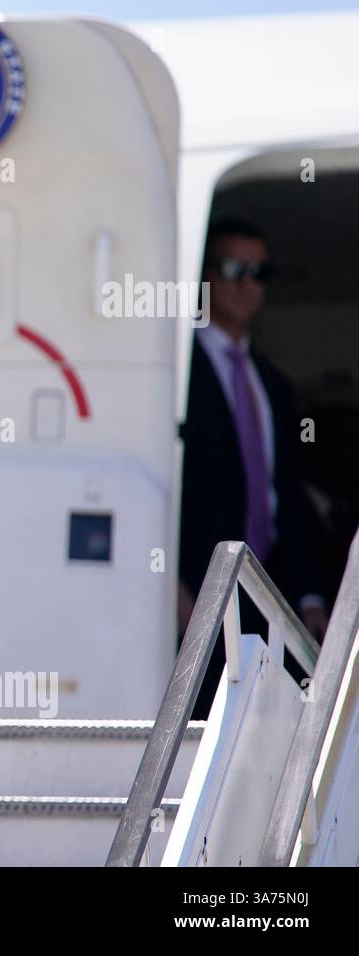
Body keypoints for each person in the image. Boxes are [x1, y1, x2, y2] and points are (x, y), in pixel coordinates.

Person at [178, 217, 329, 718]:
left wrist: (308, 595)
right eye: (232, 267)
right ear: (205, 274)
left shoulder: (273, 384)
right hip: (194, 598)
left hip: (270, 597)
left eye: (259, 272)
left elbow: (286, 495)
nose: (246, 283)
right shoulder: (175, 374)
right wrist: (167, 589)